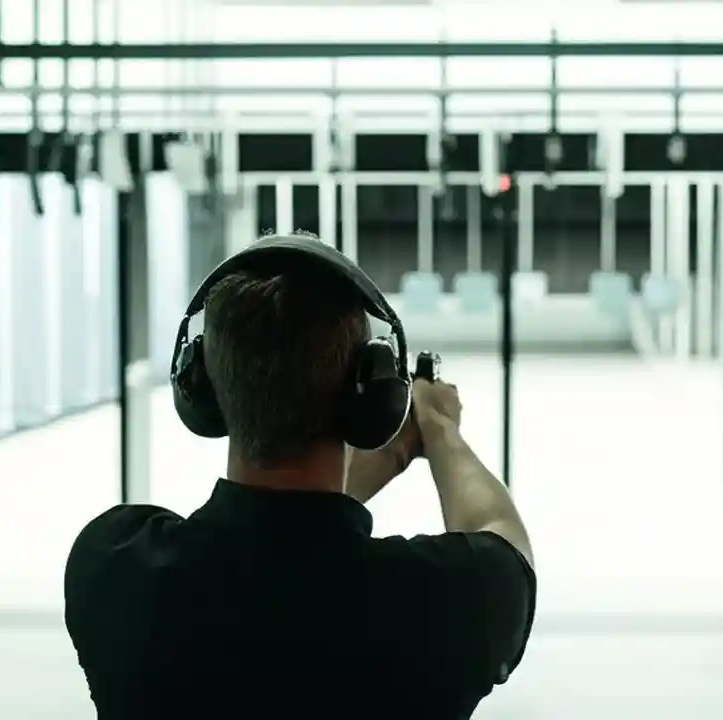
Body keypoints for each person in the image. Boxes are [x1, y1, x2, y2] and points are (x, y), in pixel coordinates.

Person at [63, 238, 536, 720]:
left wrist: (391, 454)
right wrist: (439, 429)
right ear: (372, 403)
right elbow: (502, 536)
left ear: (203, 386)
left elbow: (270, 554)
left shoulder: (112, 568)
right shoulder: (442, 604)